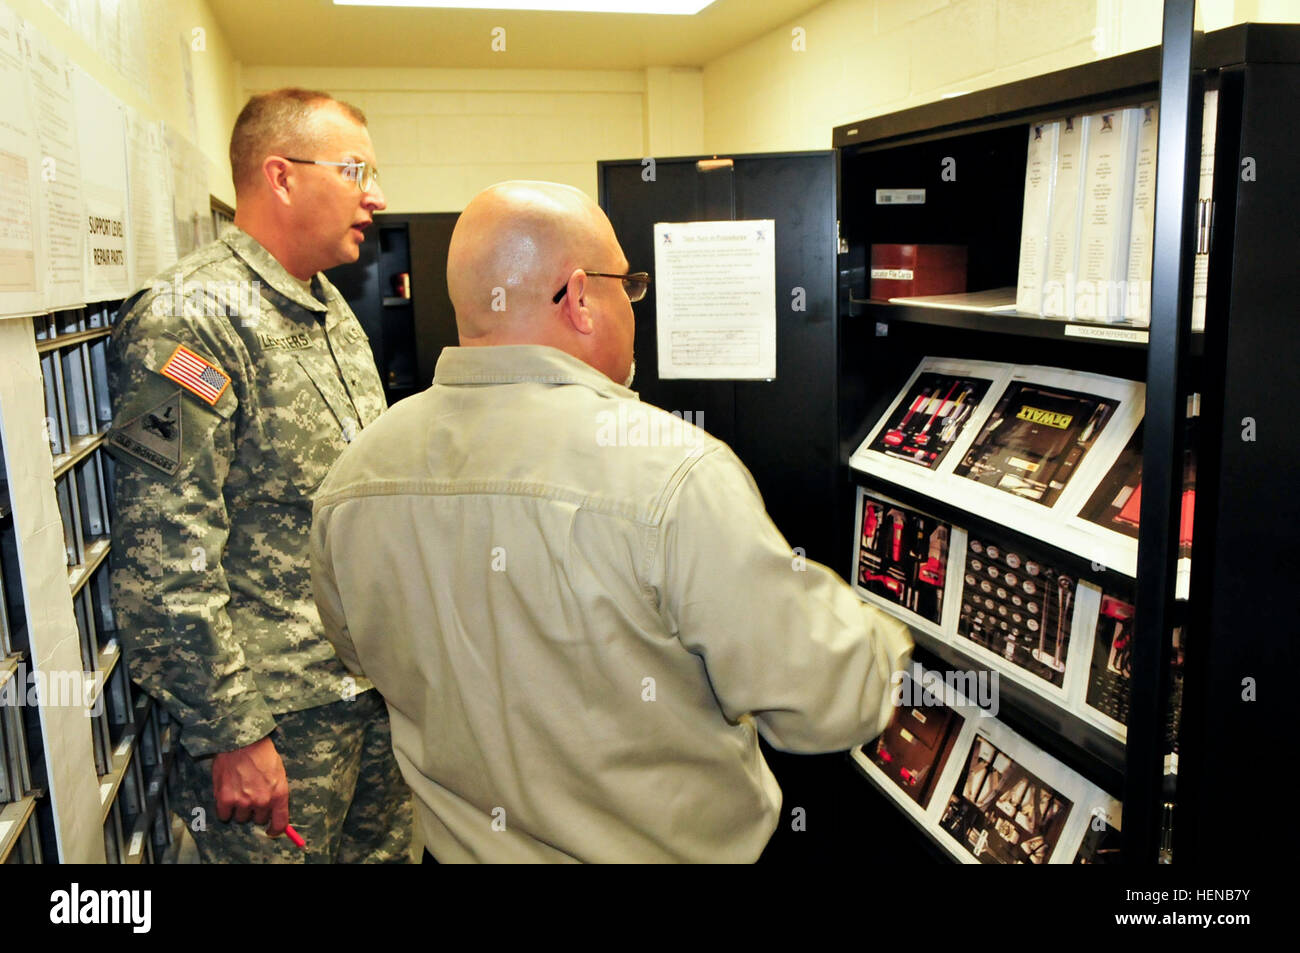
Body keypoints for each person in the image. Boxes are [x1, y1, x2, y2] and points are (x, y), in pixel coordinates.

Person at [310, 180, 912, 863]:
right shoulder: (673, 473)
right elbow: (828, 699)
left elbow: (362, 650)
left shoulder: (353, 478)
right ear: (578, 297)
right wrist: (892, 645)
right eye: (628, 285)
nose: (634, 305)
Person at [107, 88, 411, 863]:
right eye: (355, 171)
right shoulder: (187, 317)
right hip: (276, 728)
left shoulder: (329, 308)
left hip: (368, 699)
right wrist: (230, 729)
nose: (375, 195)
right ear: (280, 176)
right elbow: (162, 547)